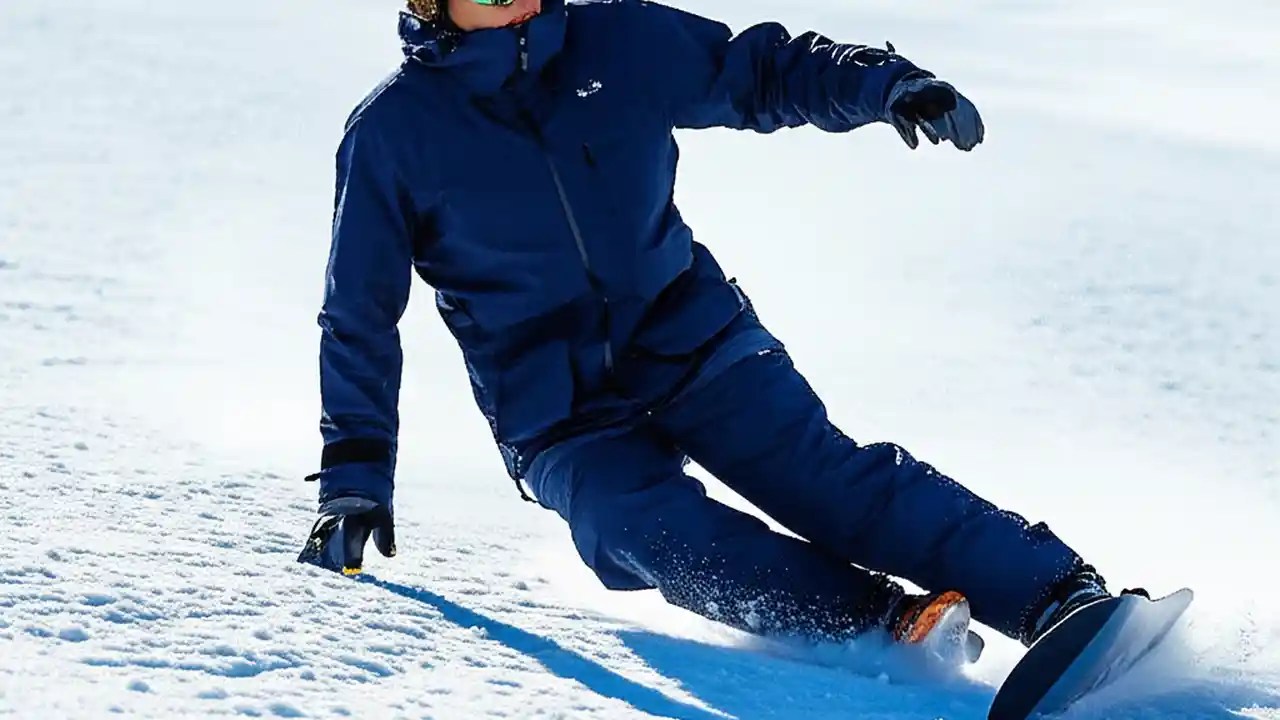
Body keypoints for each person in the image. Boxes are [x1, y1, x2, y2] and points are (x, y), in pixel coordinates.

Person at [297, 0, 1118, 654]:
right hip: (558, 411)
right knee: (638, 528)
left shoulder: (614, 42)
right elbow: (360, 314)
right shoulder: (395, 135)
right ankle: (879, 626)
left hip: (691, 336)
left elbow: (760, 71)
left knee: (825, 482)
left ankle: (1053, 594)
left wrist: (886, 85)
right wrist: (355, 480)